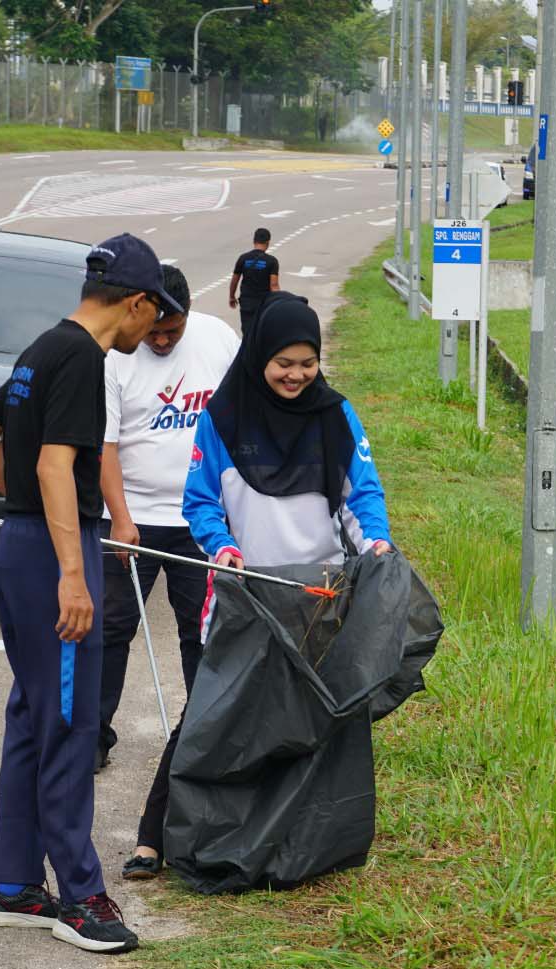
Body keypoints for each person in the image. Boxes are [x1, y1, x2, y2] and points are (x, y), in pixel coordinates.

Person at [122, 291, 392, 879]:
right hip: (243, 593)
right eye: (284, 362)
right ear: (260, 356)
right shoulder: (222, 418)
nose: (296, 375)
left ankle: (295, 840)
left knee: (309, 718)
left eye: (308, 362)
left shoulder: (337, 416)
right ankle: (153, 838)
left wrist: (377, 541)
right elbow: (200, 501)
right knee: (214, 710)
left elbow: (362, 495)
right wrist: (224, 548)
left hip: (320, 596)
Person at [0, 232, 164, 954]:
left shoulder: (42, 348)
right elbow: (53, 466)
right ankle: (79, 898)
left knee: (32, 717)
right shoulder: (82, 357)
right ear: (134, 302)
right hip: (52, 555)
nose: (153, 328)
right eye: (153, 313)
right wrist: (73, 571)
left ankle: (13, 887)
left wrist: (24, 518)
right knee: (72, 726)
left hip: (22, 548)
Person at [97, 264, 237, 774]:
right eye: (153, 328)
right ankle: (94, 736)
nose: (159, 340)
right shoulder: (118, 355)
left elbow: (243, 419)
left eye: (170, 332)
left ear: (188, 315)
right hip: (130, 519)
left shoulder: (219, 339)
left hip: (202, 520)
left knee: (201, 633)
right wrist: (120, 519)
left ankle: (203, 739)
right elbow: (104, 446)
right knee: (111, 629)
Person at [228, 228, 280, 335]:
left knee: (247, 332)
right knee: (262, 332)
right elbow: (274, 285)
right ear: (268, 242)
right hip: (264, 304)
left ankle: (247, 349)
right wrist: (278, 303)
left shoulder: (243, 258)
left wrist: (232, 296)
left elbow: (235, 280)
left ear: (254, 241)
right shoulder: (272, 261)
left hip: (246, 302)